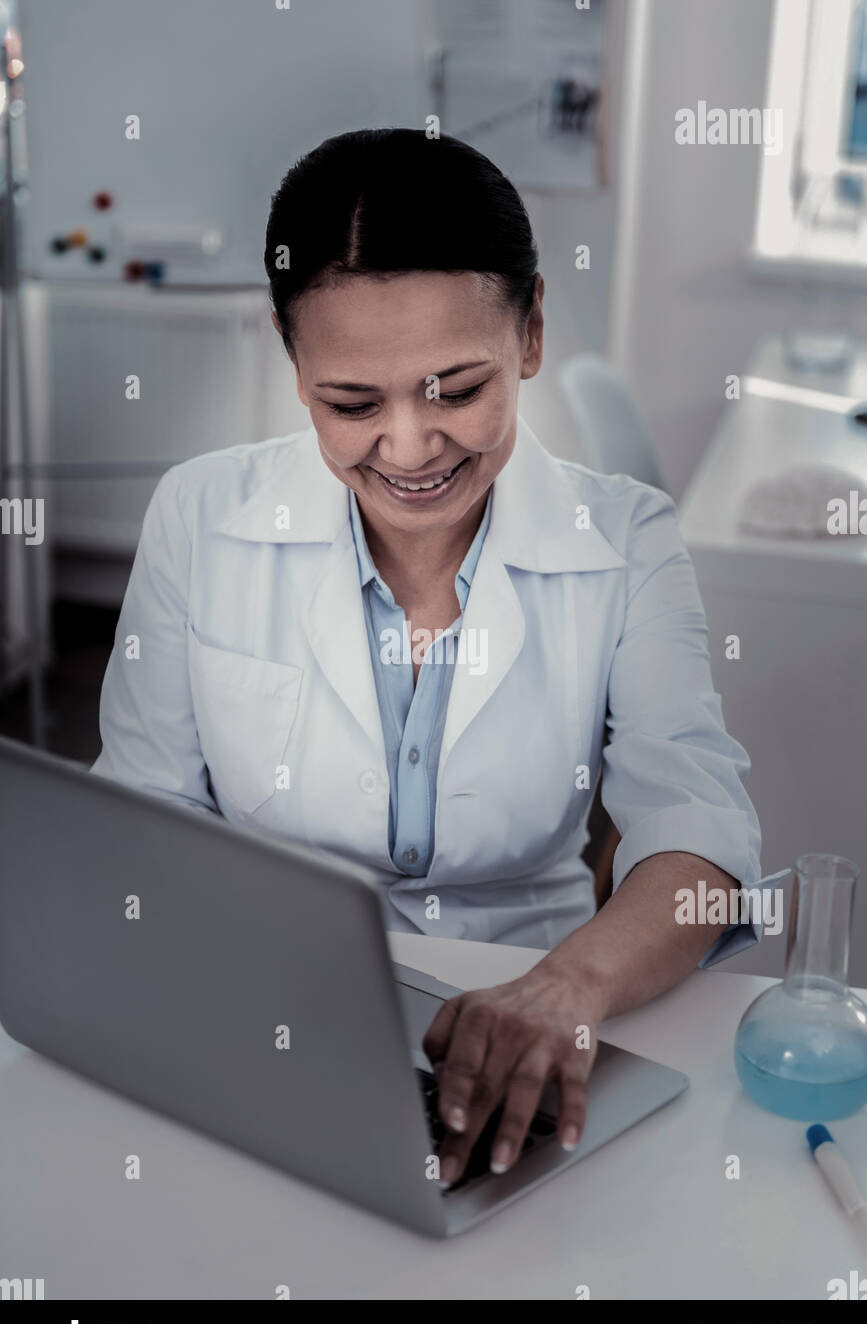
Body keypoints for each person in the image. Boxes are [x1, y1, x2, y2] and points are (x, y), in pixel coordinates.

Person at [93, 128, 763, 1187]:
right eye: (351, 404)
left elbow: (701, 834)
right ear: (293, 360)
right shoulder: (201, 515)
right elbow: (140, 819)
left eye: (456, 388)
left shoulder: (626, 538)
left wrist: (568, 986)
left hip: (523, 992)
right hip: (261, 1006)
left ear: (532, 331)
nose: (408, 447)